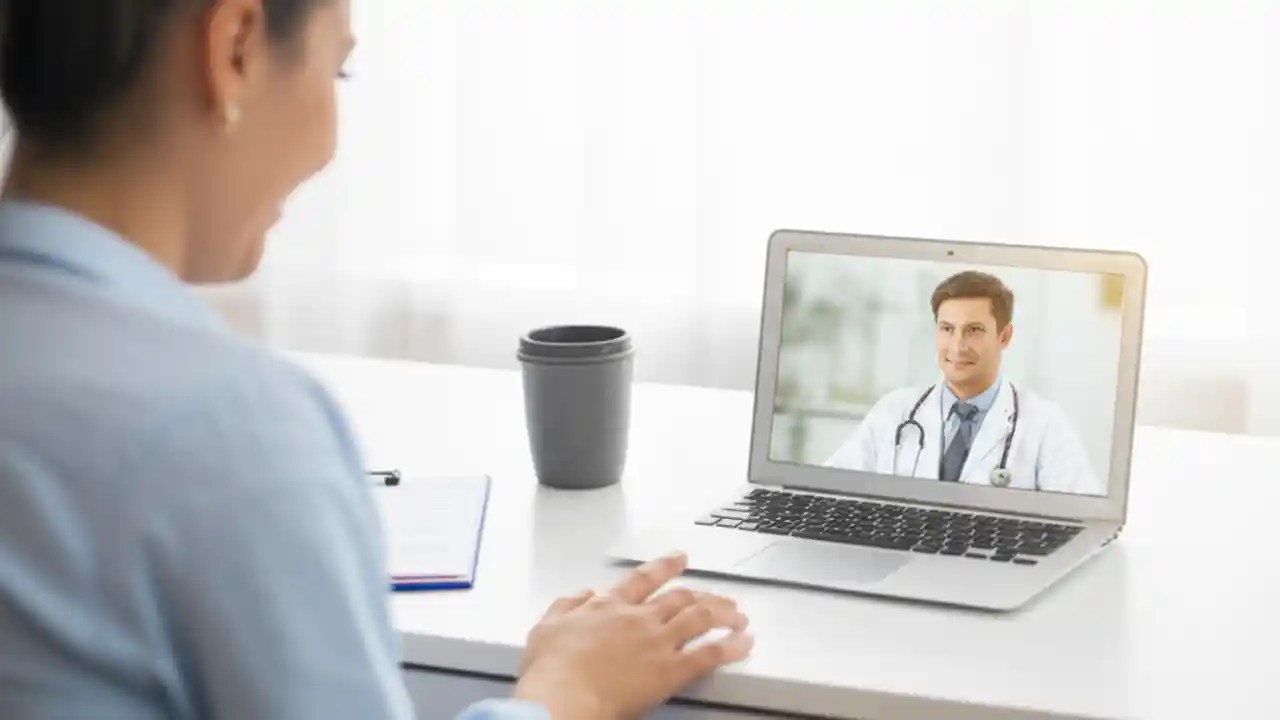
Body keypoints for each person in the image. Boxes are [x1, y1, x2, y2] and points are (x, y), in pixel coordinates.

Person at [0, 1, 751, 718]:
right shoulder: (227, 424)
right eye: (338, 71)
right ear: (235, 49)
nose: (330, 145)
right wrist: (566, 695)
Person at [826, 271, 1103, 495]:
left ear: (1004, 337)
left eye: (974, 330)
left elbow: (1084, 513)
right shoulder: (894, 411)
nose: (957, 346)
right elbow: (829, 491)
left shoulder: (1045, 424)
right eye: (947, 329)